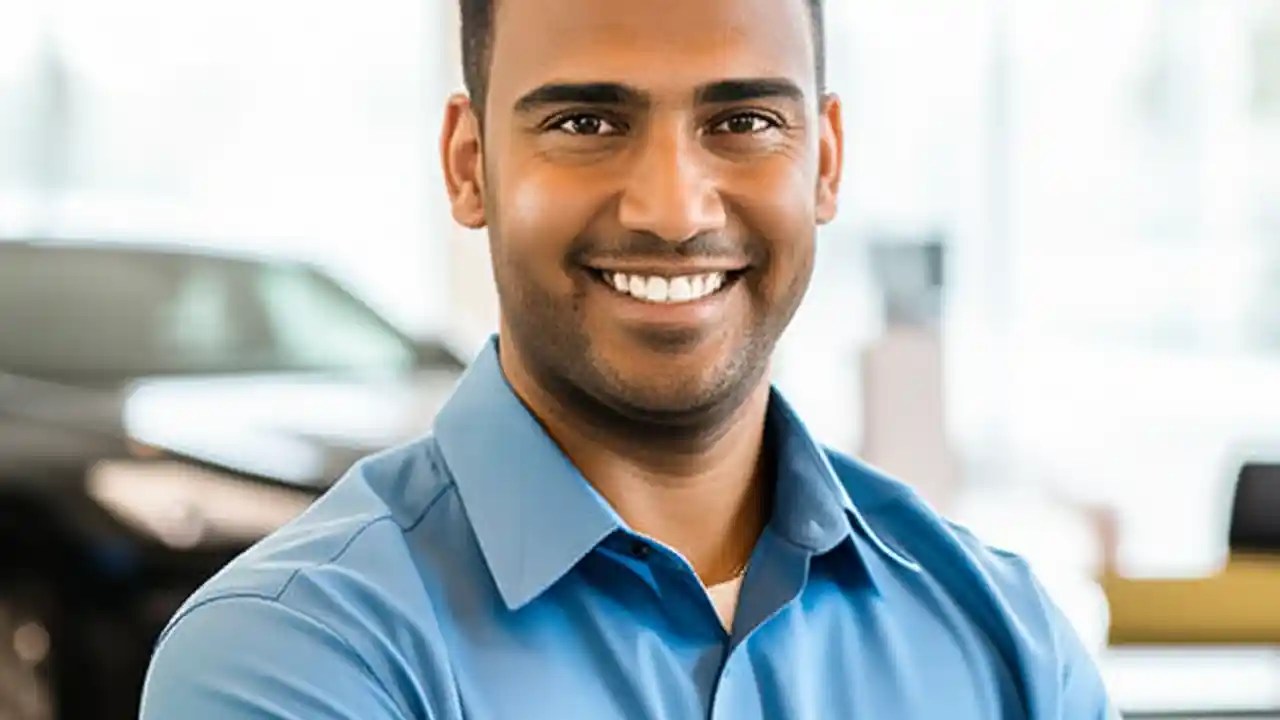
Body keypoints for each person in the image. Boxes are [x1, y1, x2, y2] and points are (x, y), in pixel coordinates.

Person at [140, 0, 1116, 717]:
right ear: (469, 165)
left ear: (823, 161)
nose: (673, 211)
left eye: (742, 122)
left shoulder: (1009, 643)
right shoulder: (289, 654)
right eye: (586, 124)